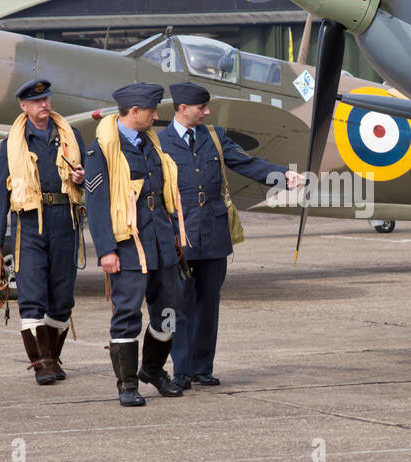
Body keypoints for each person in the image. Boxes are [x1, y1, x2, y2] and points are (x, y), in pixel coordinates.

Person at [161, 81, 301, 390]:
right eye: (202, 108)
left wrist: (282, 175)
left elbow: (249, 164)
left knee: (208, 303)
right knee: (179, 305)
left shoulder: (215, 137)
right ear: (183, 109)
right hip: (178, 236)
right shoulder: (160, 142)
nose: (208, 112)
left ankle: (202, 368)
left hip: (213, 234)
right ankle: (180, 370)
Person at [83, 82, 189, 407]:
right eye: (152, 111)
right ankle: (127, 385)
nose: (157, 116)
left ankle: (153, 371)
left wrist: (173, 233)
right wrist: (105, 251)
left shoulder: (151, 144)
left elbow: (161, 195)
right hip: (127, 248)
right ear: (134, 112)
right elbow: (97, 204)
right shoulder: (100, 150)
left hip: (161, 246)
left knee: (170, 311)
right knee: (127, 315)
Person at [0, 79, 86, 386]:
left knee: (62, 299)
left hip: (65, 220)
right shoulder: (13, 143)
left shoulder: (71, 136)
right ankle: (40, 362)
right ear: (24, 106)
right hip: (29, 223)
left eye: (47, 99)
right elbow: (1, 191)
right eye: (37, 101)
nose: (45, 104)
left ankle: (53, 357)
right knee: (31, 295)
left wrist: (82, 178)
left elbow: (91, 179)